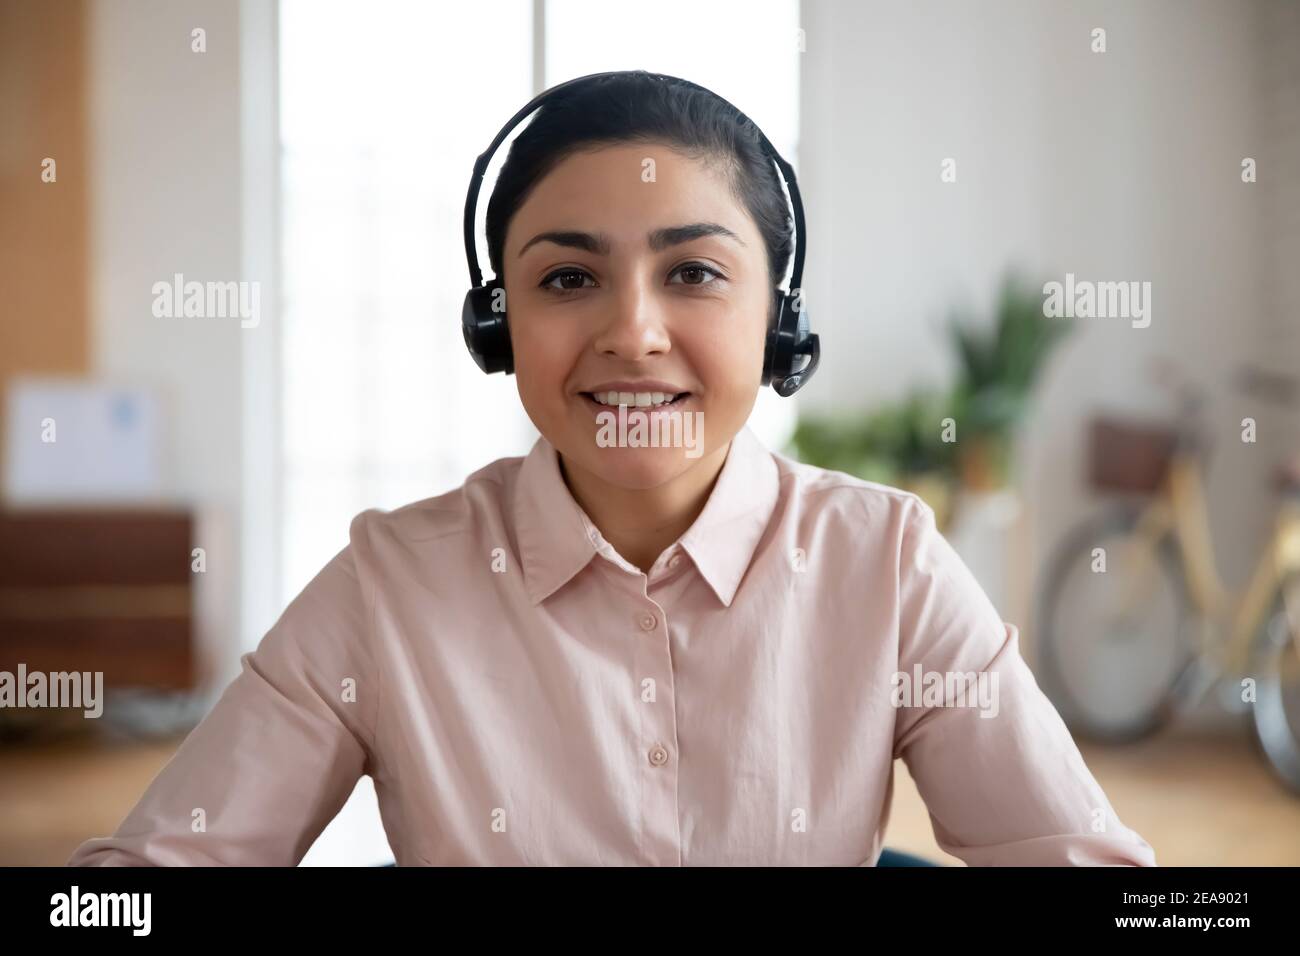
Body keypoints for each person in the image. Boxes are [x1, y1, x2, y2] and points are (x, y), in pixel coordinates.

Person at [69, 71, 1155, 867]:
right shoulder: (387, 585)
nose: (633, 332)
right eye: (567, 277)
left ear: (780, 327)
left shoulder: (887, 563)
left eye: (691, 271)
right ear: (499, 324)